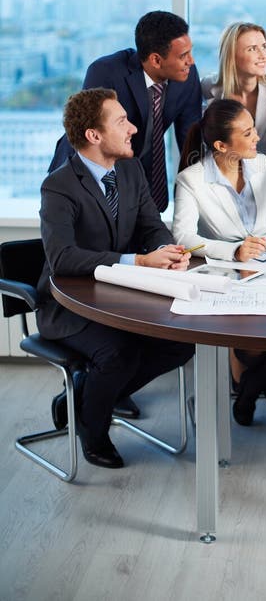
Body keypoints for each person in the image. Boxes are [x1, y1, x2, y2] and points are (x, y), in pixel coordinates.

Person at [37, 88, 195, 469]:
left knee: (179, 345)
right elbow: (62, 257)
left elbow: (151, 226)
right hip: (68, 305)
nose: (134, 128)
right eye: (122, 121)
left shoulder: (130, 169)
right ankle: (94, 430)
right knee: (119, 353)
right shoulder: (59, 186)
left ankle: (85, 396)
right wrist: (138, 261)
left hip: (122, 296)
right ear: (94, 135)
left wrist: (168, 252)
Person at [172, 99, 266, 427]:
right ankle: (259, 385)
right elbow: (183, 237)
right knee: (250, 349)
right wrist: (233, 252)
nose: (257, 137)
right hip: (229, 276)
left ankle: (248, 389)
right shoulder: (192, 180)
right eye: (248, 133)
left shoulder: (259, 164)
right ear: (221, 145)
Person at [49, 10, 203, 212]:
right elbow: (93, 141)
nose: (190, 61)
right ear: (156, 60)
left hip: (143, 172)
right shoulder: (106, 72)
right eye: (183, 55)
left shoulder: (186, 75)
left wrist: (197, 197)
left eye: (190, 52)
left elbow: (190, 141)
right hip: (87, 175)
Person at [201, 22, 266, 210]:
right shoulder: (208, 87)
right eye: (252, 49)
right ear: (232, 56)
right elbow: (208, 153)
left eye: (264, 46)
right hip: (221, 201)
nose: (263, 55)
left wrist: (263, 210)